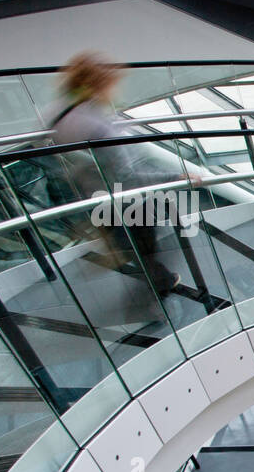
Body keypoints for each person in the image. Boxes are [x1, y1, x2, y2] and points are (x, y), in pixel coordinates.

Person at [49, 52, 189, 294]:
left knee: (131, 242)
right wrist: (175, 178)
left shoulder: (60, 115)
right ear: (98, 86)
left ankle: (142, 267)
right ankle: (158, 281)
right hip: (126, 199)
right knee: (145, 244)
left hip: (94, 195)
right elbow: (128, 175)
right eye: (111, 85)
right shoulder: (98, 126)